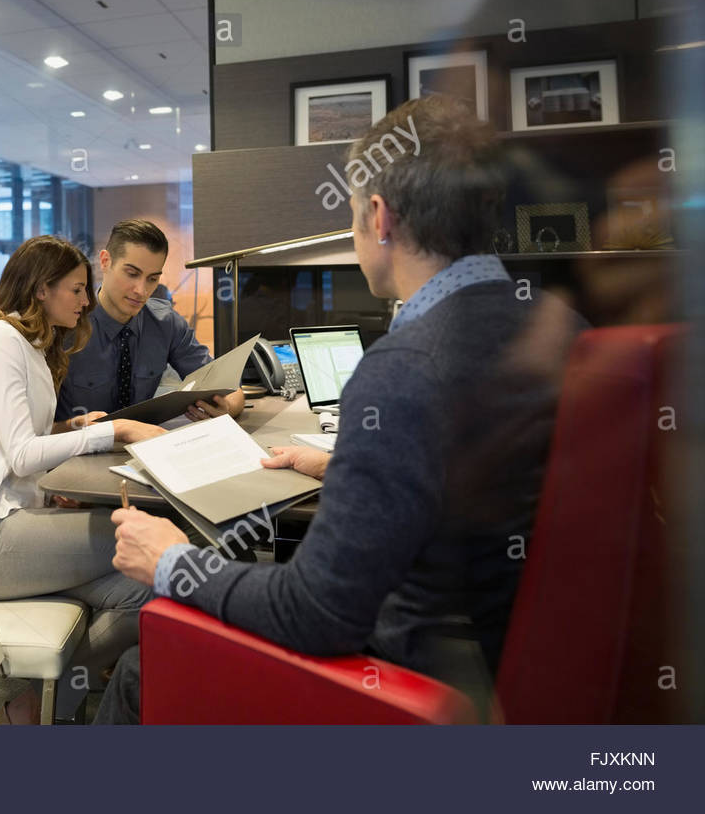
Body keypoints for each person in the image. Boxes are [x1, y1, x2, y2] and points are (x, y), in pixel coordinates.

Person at [95, 95, 587, 724]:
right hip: (515, 667)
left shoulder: (403, 365)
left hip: (413, 680)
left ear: (378, 217)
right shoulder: (561, 327)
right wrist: (348, 466)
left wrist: (171, 560)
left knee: (146, 665)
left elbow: (316, 613)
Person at [0, 235, 164, 723]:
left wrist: (71, 426)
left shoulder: (30, 347)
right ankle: (44, 709)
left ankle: (39, 706)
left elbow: (19, 437)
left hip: (12, 526)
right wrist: (109, 430)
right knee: (150, 548)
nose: (85, 301)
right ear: (41, 289)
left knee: (145, 589)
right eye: (77, 290)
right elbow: (20, 455)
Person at [57, 219, 244, 425]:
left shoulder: (166, 322)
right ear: (105, 262)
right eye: (132, 274)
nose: (141, 290)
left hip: (144, 446)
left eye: (152, 278)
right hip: (77, 453)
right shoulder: (65, 325)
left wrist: (227, 408)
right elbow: (31, 433)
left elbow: (230, 389)